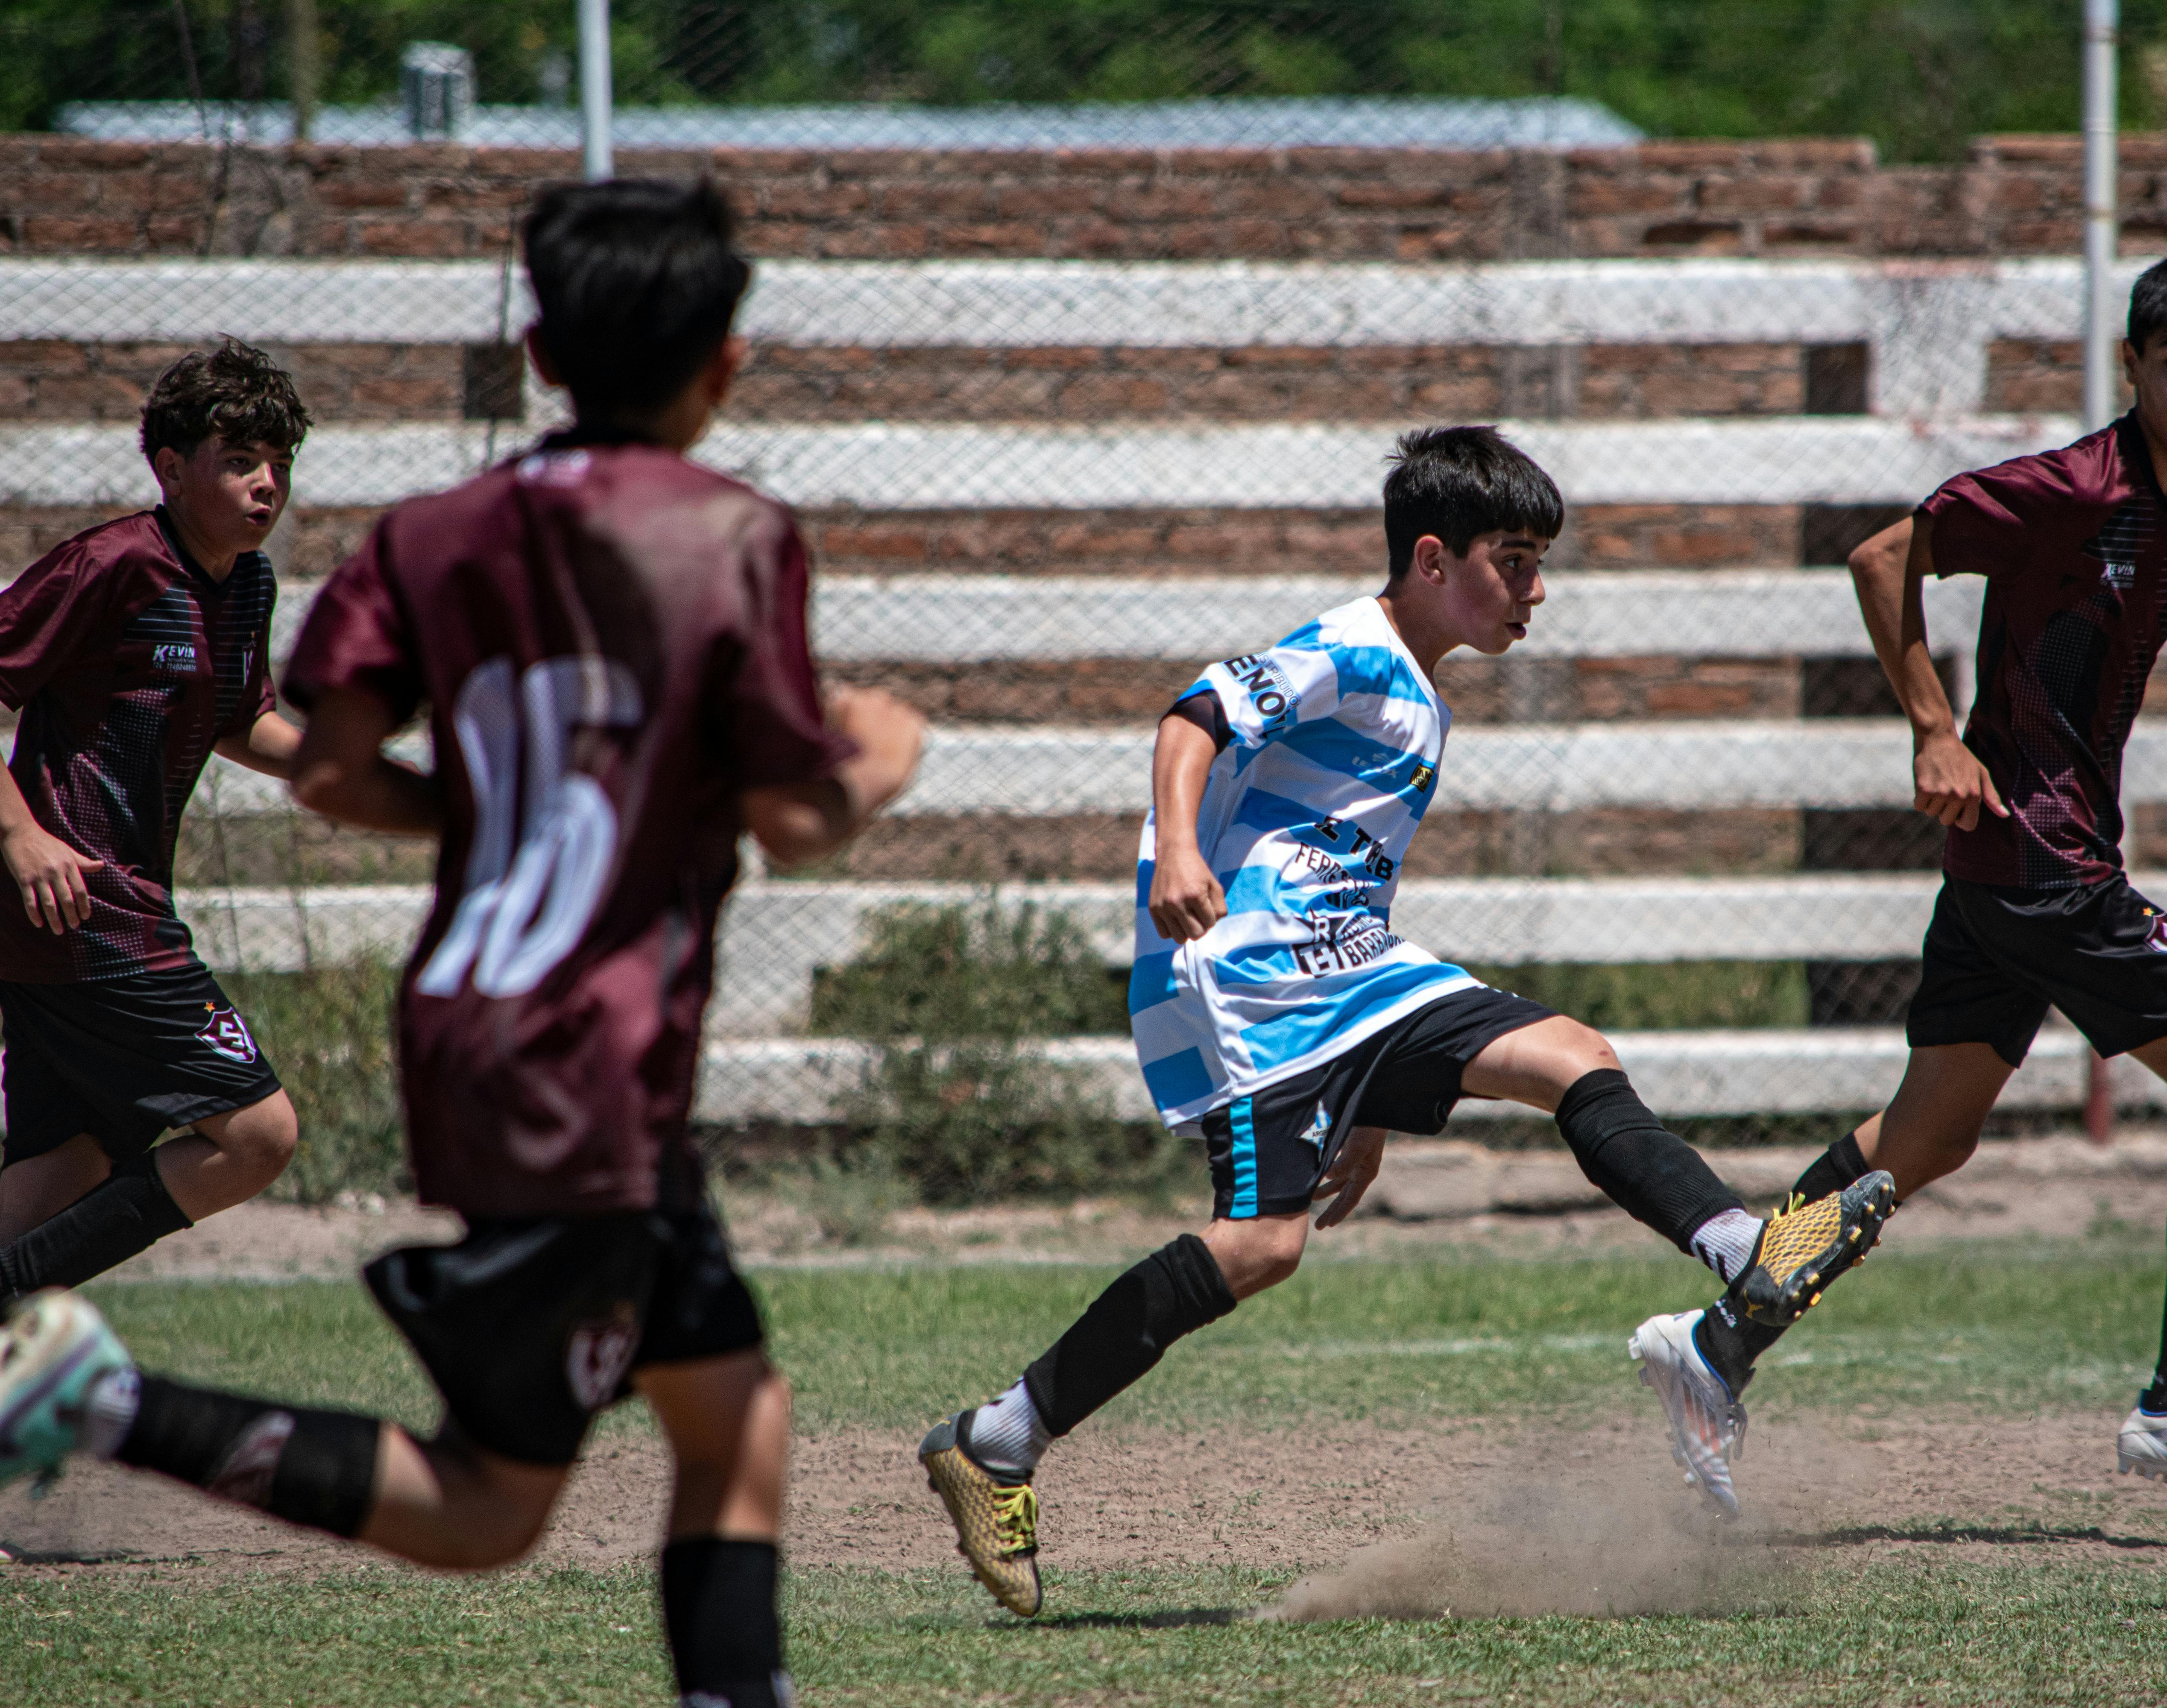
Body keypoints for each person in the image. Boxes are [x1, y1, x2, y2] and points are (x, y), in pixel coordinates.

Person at [0, 178, 926, 1708]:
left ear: (544, 355)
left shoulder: (434, 536)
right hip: (594, 1050)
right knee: (493, 1507)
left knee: (734, 1416)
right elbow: (802, 817)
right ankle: (90, 1397)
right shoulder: (734, 535)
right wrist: (884, 756)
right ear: (728, 364)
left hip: (480, 1027)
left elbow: (343, 772)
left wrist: (525, 807)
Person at [917, 425, 1898, 1617]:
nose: (1534, 589)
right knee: (1263, 1247)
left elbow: (1350, 867)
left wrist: (1373, 1098)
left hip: (1360, 974)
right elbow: (1192, 719)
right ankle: (997, 1441)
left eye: (1542, 563)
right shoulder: (1352, 648)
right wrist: (1179, 848)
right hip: (1261, 984)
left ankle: (1740, 1248)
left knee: (1574, 1056)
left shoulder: (1422, 693)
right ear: (1433, 559)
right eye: (1513, 559)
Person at [1731, 249, 2167, 1509]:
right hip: (2044, 863)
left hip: (2019, 866)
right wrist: (1933, 729)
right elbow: (1882, 558)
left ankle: (1719, 1338)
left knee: (1921, 1140)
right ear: (2133, 366)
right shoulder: (2066, 489)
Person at [0, 339, 308, 1308]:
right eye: (241, 459)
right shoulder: (114, 563)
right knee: (257, 1135)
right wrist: (19, 833)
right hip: (86, 904)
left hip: (86, 915)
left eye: (279, 463)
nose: (268, 484)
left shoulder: (243, 584)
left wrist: (371, 775)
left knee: (78, 1158)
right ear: (171, 469)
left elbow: (241, 719)